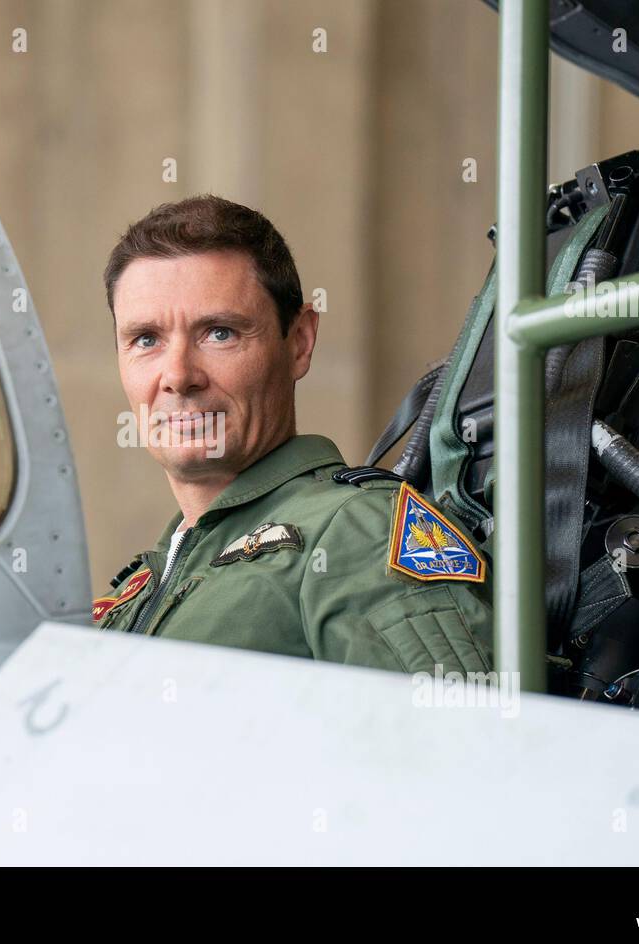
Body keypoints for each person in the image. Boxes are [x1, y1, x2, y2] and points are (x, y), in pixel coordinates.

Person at [92, 194, 493, 675]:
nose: (178, 375)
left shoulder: (359, 533)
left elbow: (465, 743)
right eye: (146, 340)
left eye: (219, 332)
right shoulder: (134, 588)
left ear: (300, 342)